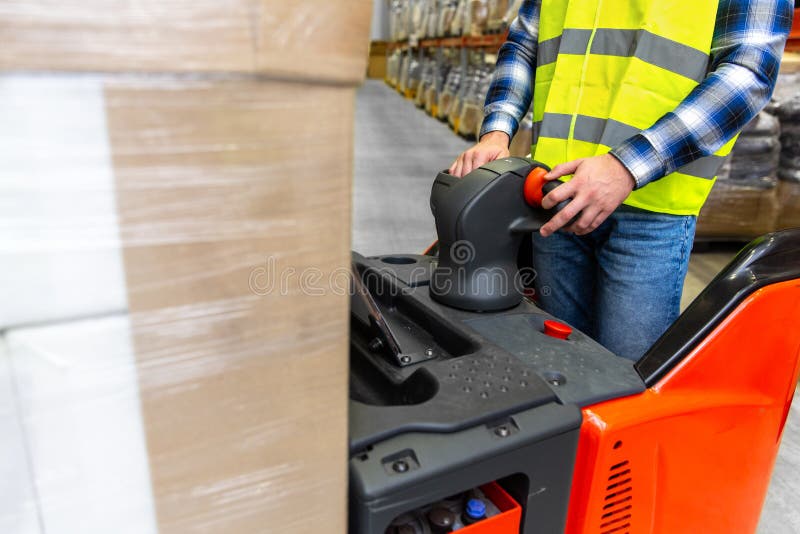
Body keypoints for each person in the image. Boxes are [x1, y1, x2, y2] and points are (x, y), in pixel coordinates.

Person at [449, 0, 793, 360]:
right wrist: (497, 130)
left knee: (626, 373)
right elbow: (524, 42)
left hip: (651, 208)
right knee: (557, 363)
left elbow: (747, 73)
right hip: (556, 195)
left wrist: (627, 166)